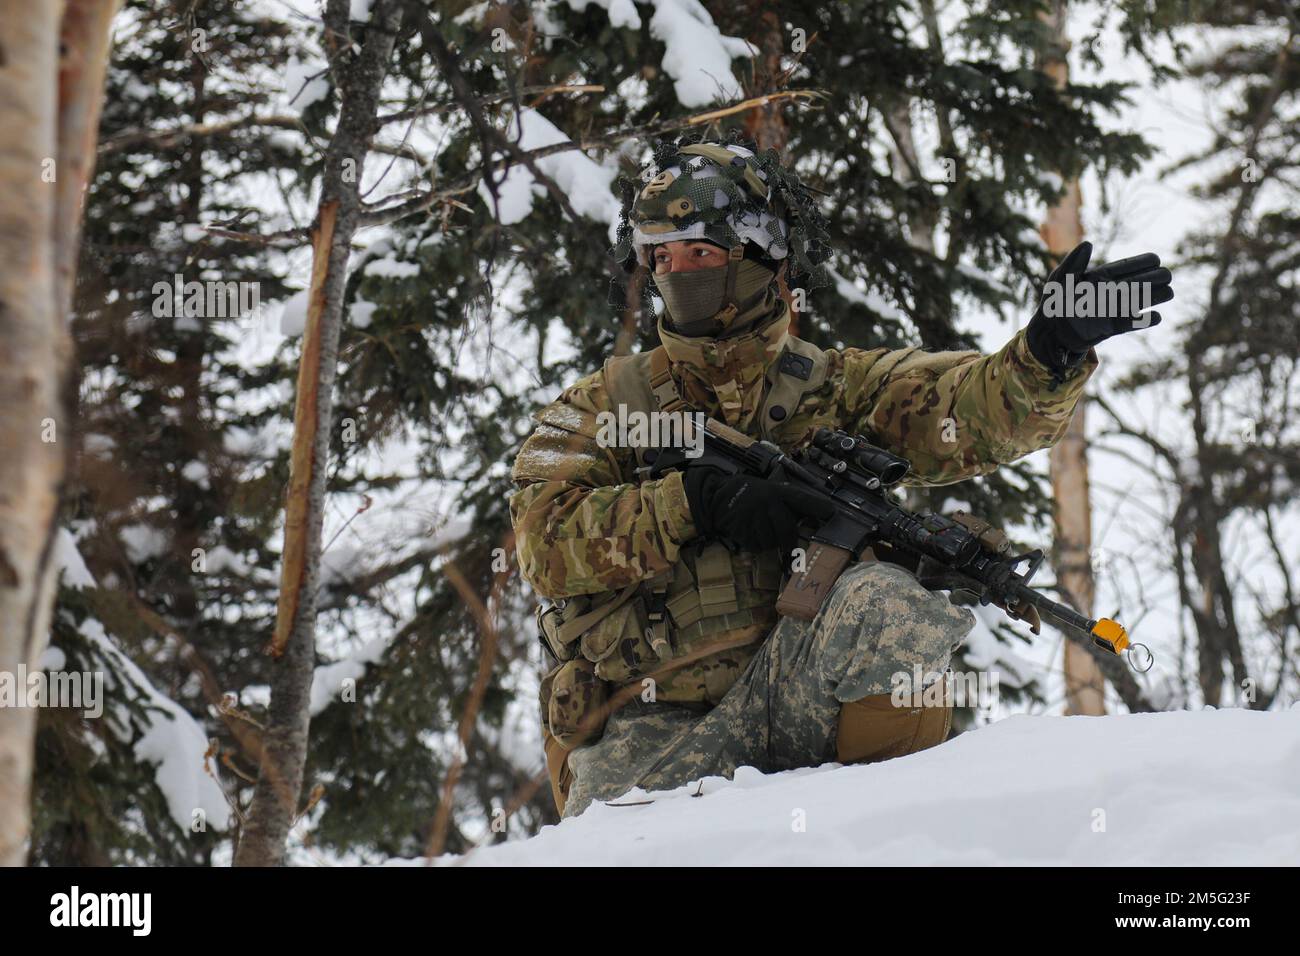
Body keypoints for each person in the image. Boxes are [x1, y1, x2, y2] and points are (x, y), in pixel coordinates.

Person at [509, 138, 1173, 817]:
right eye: (663, 257)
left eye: (701, 253)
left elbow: (961, 409)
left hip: (797, 695)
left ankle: (875, 830)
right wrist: (692, 502)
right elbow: (541, 543)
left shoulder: (836, 387)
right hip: (649, 733)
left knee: (890, 602)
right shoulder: (605, 405)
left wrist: (1047, 351)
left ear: (760, 256)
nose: (679, 271)